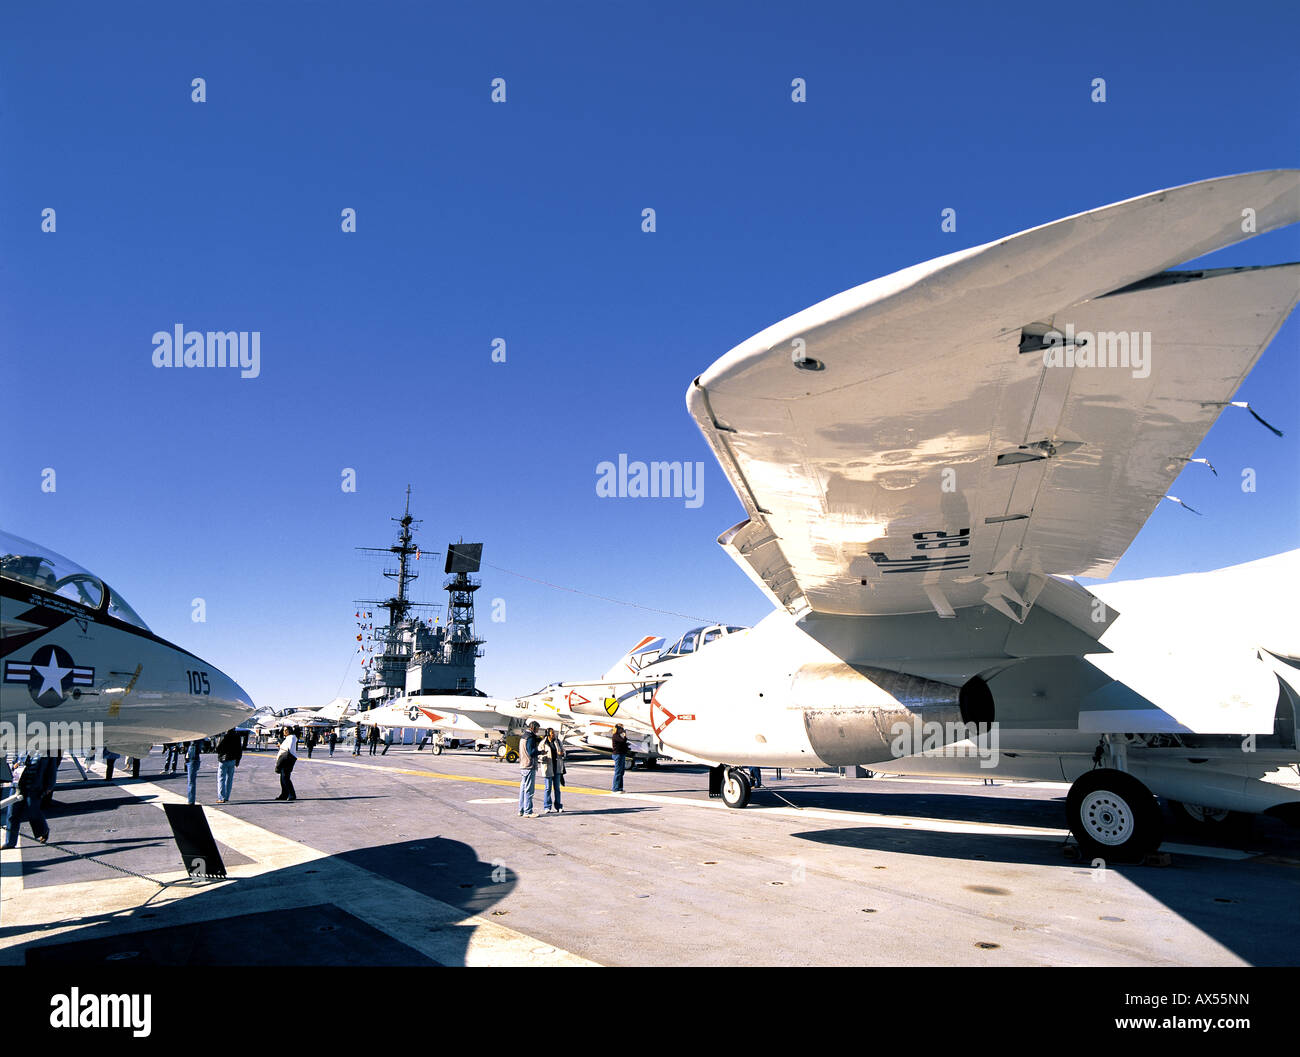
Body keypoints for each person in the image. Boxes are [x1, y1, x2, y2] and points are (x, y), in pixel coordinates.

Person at [4, 756, 50, 846]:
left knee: (32, 811)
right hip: (17, 784)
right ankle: (10, 842)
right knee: (12, 813)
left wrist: (49, 786)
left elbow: (51, 769)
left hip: (34, 786)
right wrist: (14, 766)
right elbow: (14, 762)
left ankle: (44, 830)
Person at [517, 722, 541, 817]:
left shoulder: (524, 736)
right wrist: (540, 752)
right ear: (533, 728)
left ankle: (521, 809)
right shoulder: (530, 737)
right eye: (537, 728)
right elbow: (531, 752)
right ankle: (528, 811)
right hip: (529, 765)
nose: (538, 730)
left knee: (523, 789)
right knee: (529, 790)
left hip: (523, 765)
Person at [215, 728, 243, 803]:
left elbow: (218, 748)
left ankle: (221, 797)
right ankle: (227, 796)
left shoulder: (224, 736)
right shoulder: (237, 736)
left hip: (223, 760)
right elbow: (239, 750)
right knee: (229, 779)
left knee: (221, 779)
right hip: (233, 759)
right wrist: (238, 760)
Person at [541, 728, 566, 814]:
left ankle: (558, 806)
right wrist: (543, 758)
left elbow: (564, 751)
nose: (553, 734)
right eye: (552, 733)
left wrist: (562, 753)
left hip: (557, 768)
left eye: (554, 733)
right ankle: (547, 806)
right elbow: (539, 755)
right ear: (548, 734)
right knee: (548, 788)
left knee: (557, 789)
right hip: (548, 768)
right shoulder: (543, 743)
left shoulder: (558, 742)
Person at [275, 727, 298, 802]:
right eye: (284, 730)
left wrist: (280, 745)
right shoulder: (288, 738)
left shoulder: (292, 737)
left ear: (290, 731)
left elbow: (289, 748)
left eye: (286, 730)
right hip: (286, 759)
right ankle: (284, 794)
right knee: (283, 777)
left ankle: (292, 794)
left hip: (288, 759)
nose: (284, 732)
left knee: (285, 777)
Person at [611, 725, 629, 794]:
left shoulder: (618, 736)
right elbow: (622, 741)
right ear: (618, 729)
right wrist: (625, 735)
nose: (623, 730)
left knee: (621, 772)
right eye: (621, 728)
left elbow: (623, 743)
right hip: (618, 755)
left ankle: (620, 788)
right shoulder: (615, 736)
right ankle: (615, 788)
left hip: (621, 754)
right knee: (618, 772)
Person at [185, 740, 202, 805]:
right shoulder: (198, 743)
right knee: (191, 781)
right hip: (193, 760)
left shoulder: (193, 744)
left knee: (191, 782)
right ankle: (191, 800)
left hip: (192, 760)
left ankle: (191, 800)